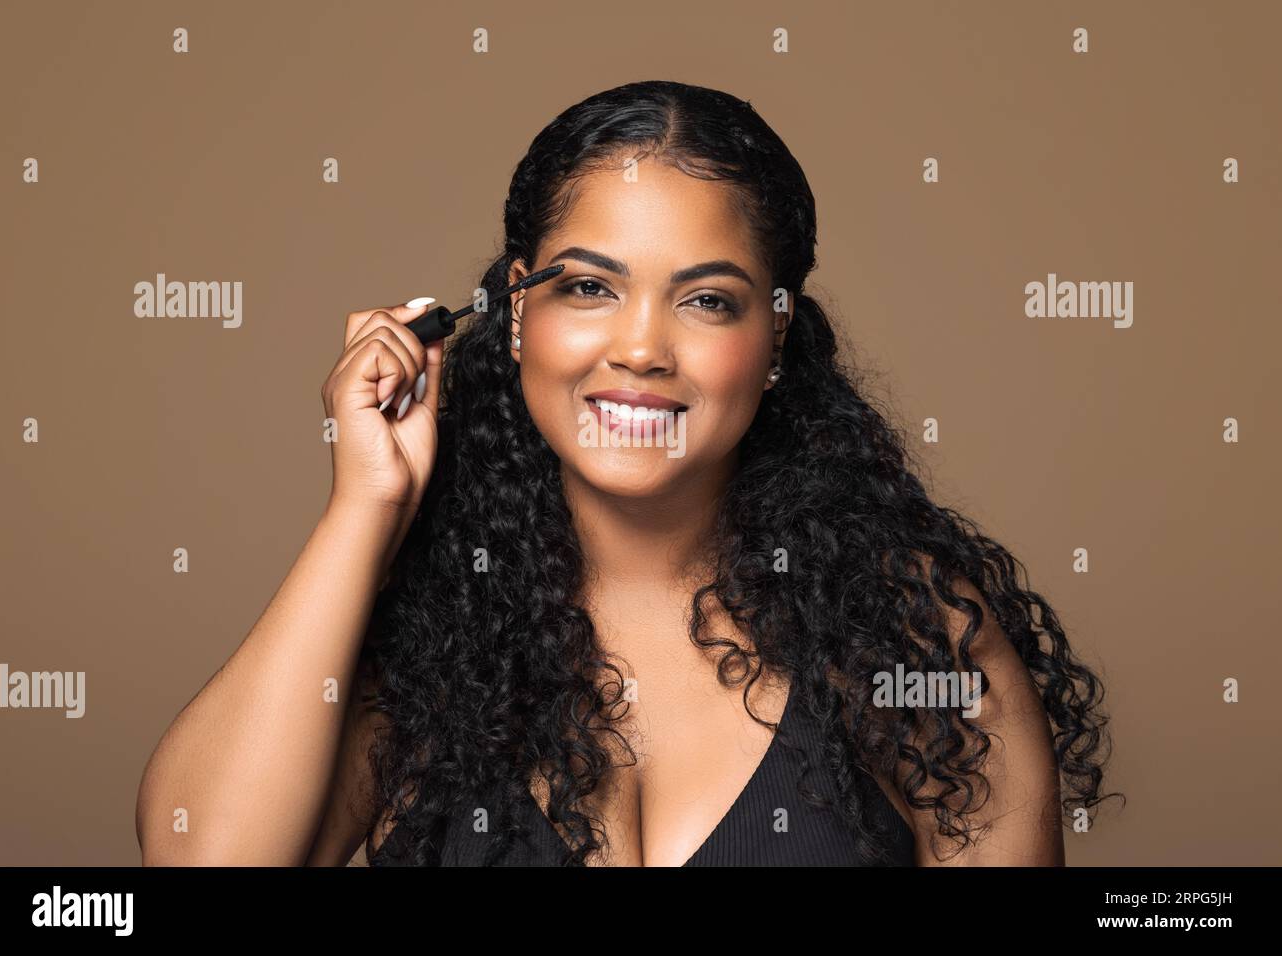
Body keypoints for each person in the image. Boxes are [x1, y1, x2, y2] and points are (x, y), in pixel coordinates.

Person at [136, 80, 1118, 867]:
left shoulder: (909, 629)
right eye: (590, 286)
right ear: (517, 309)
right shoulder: (434, 629)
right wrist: (367, 504)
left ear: (774, 334)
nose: (640, 348)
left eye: (705, 299)